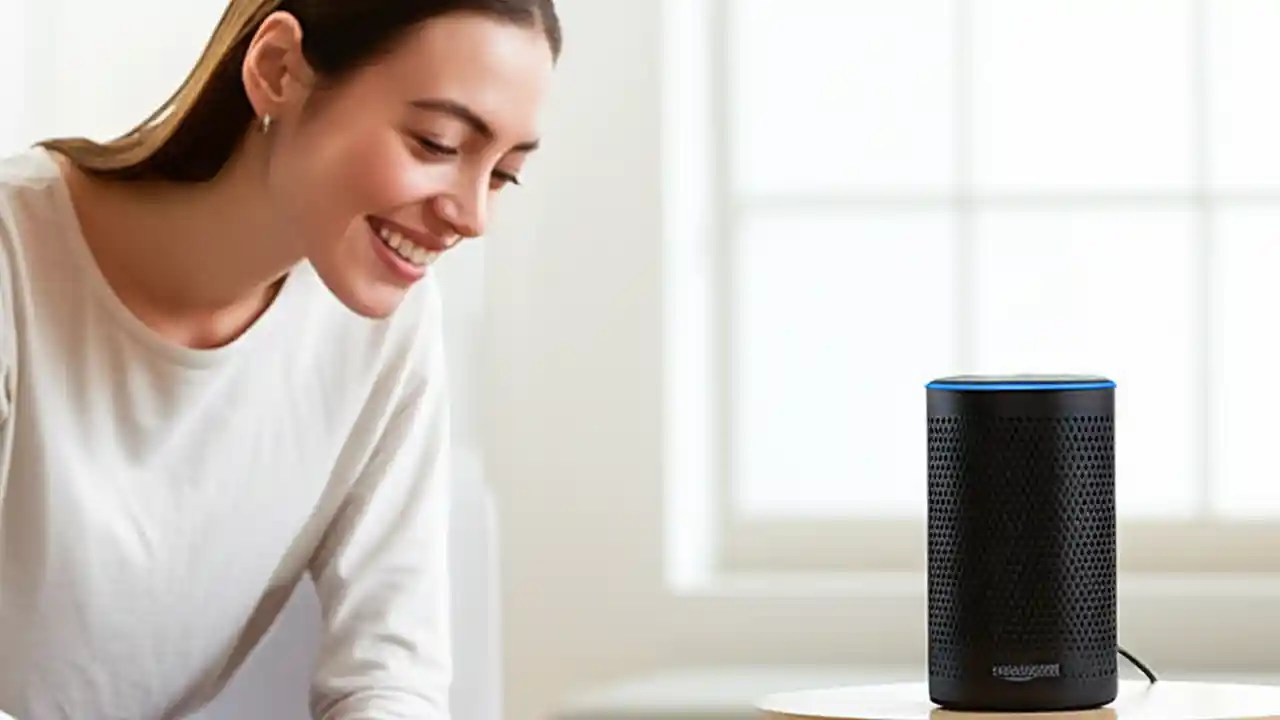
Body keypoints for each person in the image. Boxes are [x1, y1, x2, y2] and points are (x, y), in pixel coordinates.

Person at [0, 0, 559, 717]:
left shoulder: (386, 329)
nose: (473, 216)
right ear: (278, 69)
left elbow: (390, 676)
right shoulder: (16, 259)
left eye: (504, 174)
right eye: (437, 143)